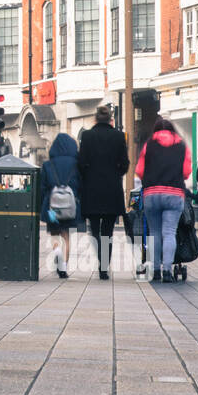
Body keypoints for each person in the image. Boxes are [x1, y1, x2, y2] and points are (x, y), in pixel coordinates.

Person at [136, 117, 191, 283]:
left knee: (154, 233)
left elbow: (139, 170)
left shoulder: (149, 144)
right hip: (174, 194)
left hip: (152, 193)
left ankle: (156, 269)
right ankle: (167, 271)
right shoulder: (182, 145)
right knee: (169, 233)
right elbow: (187, 171)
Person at [77, 104, 129, 279]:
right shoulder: (119, 136)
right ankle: (104, 266)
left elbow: (81, 163)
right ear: (110, 120)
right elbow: (125, 164)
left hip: (92, 189)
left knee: (95, 229)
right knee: (108, 229)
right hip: (112, 189)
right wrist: (115, 173)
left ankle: (101, 258)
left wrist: (89, 175)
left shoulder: (88, 136)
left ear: (95, 119)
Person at [39, 133, 82, 279]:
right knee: (66, 235)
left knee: (55, 233)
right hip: (70, 206)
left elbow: (42, 187)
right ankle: (63, 266)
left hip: (52, 207)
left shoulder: (47, 165)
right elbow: (80, 185)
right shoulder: (76, 164)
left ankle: (56, 249)